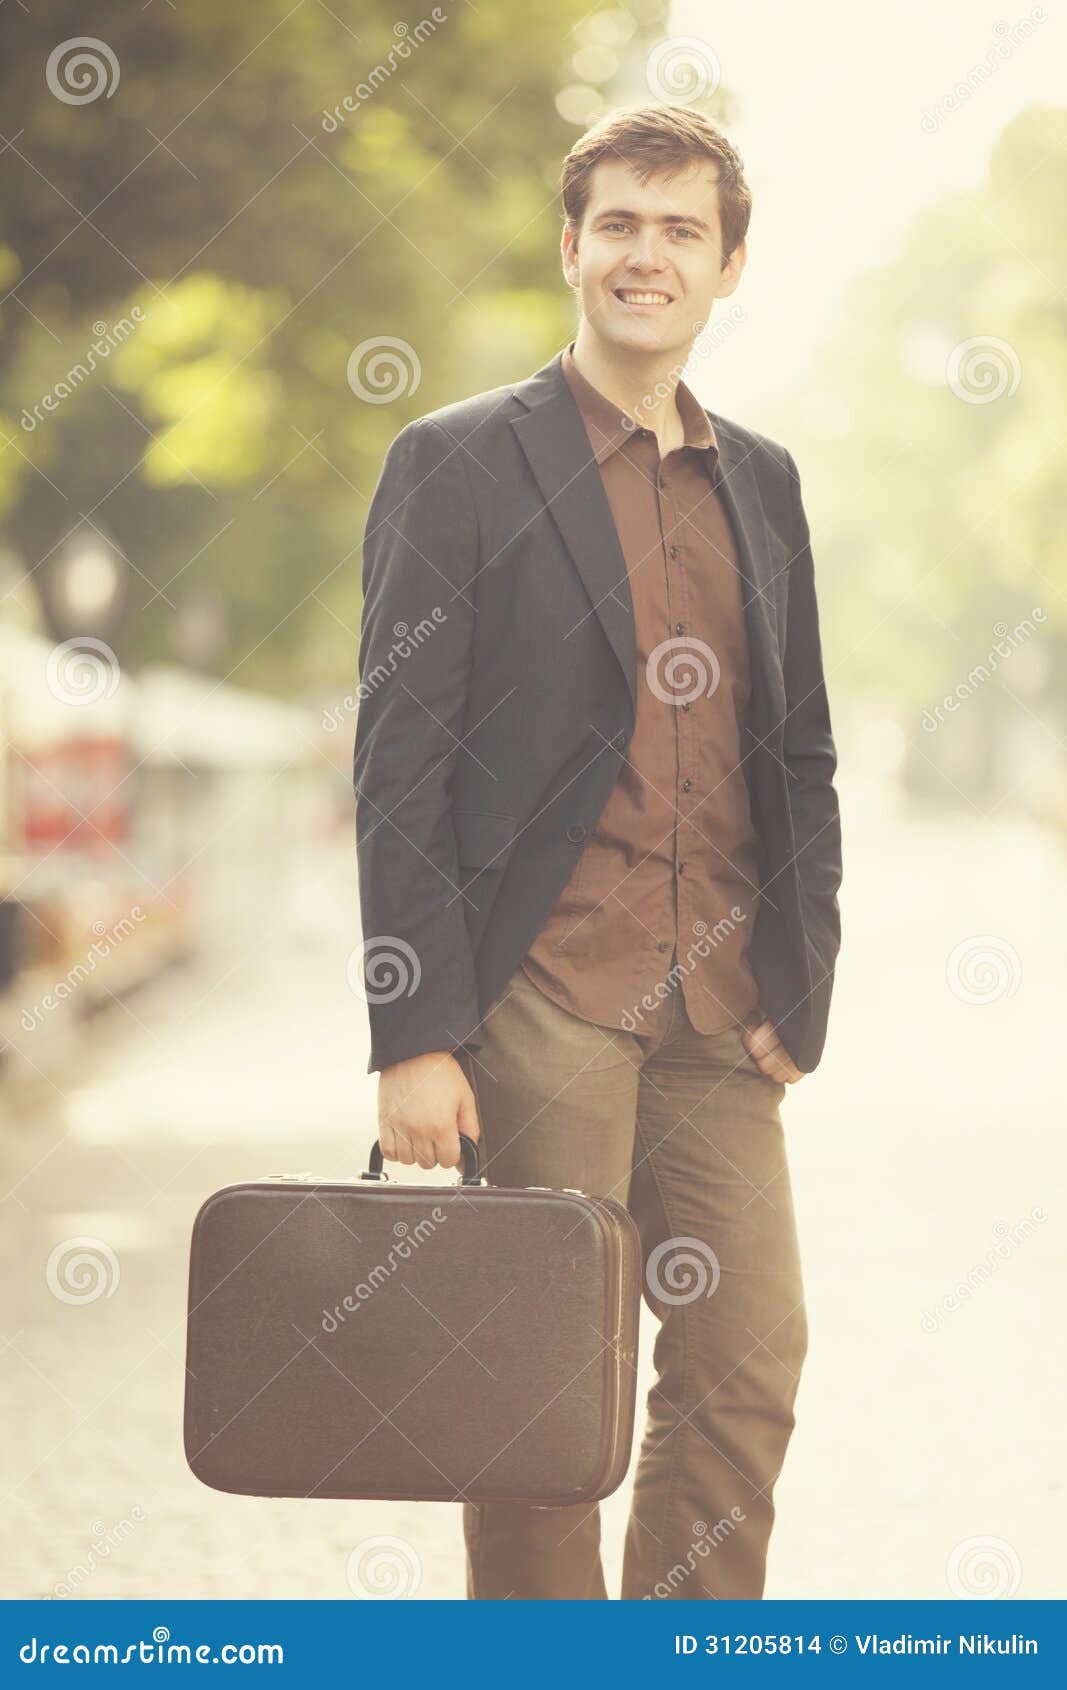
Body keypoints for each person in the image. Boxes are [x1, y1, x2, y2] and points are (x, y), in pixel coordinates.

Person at [353, 103, 842, 1600]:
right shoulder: (460, 463)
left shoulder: (761, 481)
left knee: (749, 1360)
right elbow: (400, 759)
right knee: (541, 1392)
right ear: (572, 250)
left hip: (719, 1009)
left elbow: (800, 746)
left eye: (682, 228)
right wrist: (417, 1030)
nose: (648, 254)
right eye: (620, 224)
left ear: (730, 265)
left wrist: (798, 982)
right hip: (546, 997)